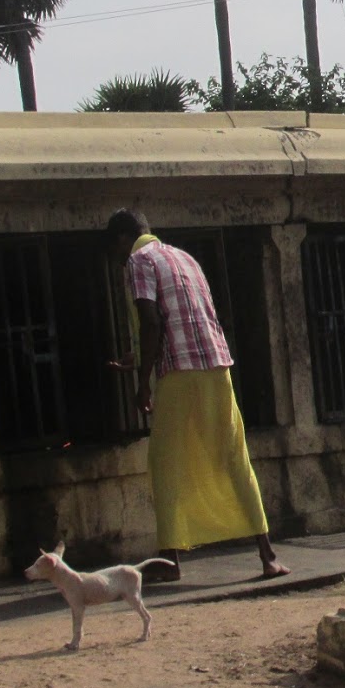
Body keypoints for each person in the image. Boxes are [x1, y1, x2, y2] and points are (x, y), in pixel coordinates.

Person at [105, 210, 287, 582]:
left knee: (165, 460)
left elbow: (152, 321)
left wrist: (142, 381)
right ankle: (267, 555)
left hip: (179, 372)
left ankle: (170, 559)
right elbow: (187, 318)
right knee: (234, 457)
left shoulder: (138, 261)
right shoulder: (185, 257)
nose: (119, 258)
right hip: (217, 365)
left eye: (116, 249)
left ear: (124, 239)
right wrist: (138, 357)